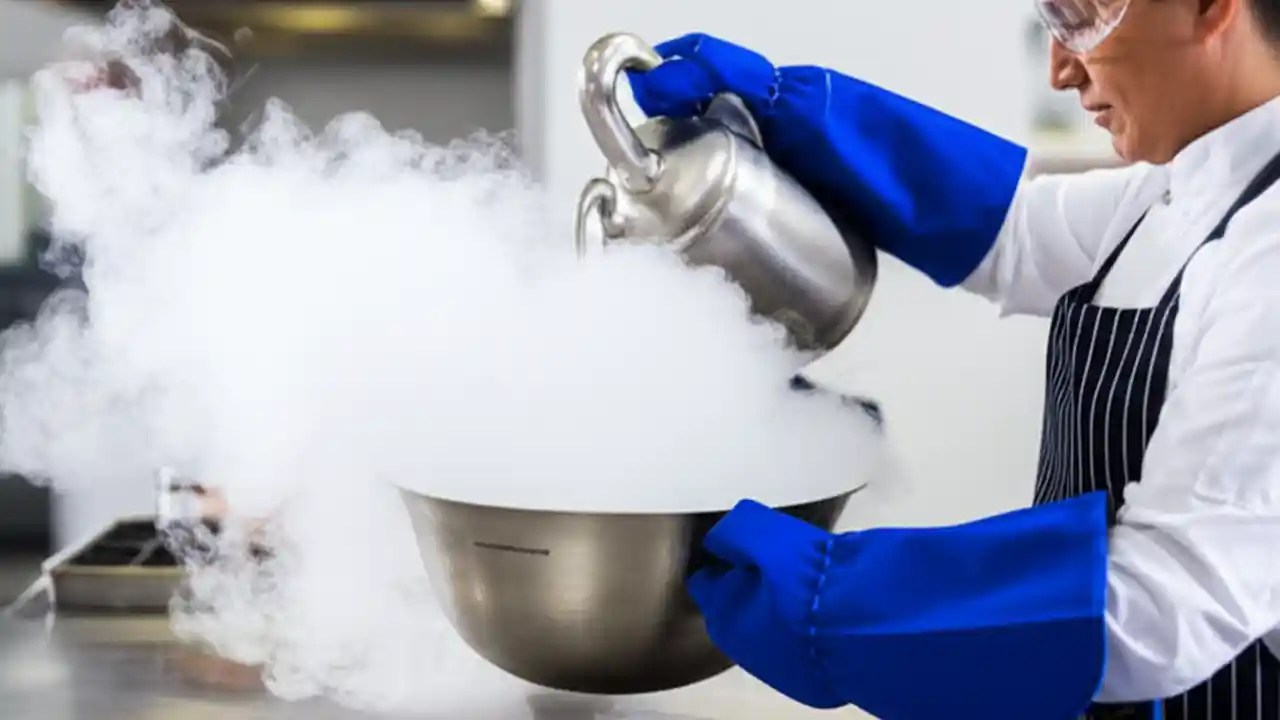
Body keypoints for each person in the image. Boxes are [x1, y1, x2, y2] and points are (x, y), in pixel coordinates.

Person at [627, 0, 1280, 718]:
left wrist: (828, 600)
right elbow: (1013, 230)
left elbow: (1167, 600)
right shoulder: (1181, 191)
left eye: (1082, 14)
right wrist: (788, 111)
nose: (1061, 69)